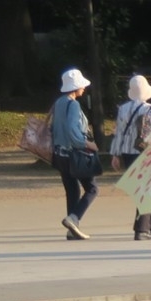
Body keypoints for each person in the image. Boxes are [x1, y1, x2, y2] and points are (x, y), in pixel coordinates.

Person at [109, 74, 151, 240]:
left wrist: (115, 154)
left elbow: (119, 133)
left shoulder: (123, 109)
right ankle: (142, 229)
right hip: (145, 153)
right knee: (147, 190)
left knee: (141, 189)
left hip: (127, 153)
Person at [51, 69, 100, 241]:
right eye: (82, 85)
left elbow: (54, 128)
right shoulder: (73, 105)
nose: (84, 88)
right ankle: (74, 218)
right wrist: (88, 144)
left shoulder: (59, 103)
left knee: (72, 191)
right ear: (75, 87)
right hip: (74, 154)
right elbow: (73, 130)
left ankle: (72, 230)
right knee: (92, 188)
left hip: (59, 154)